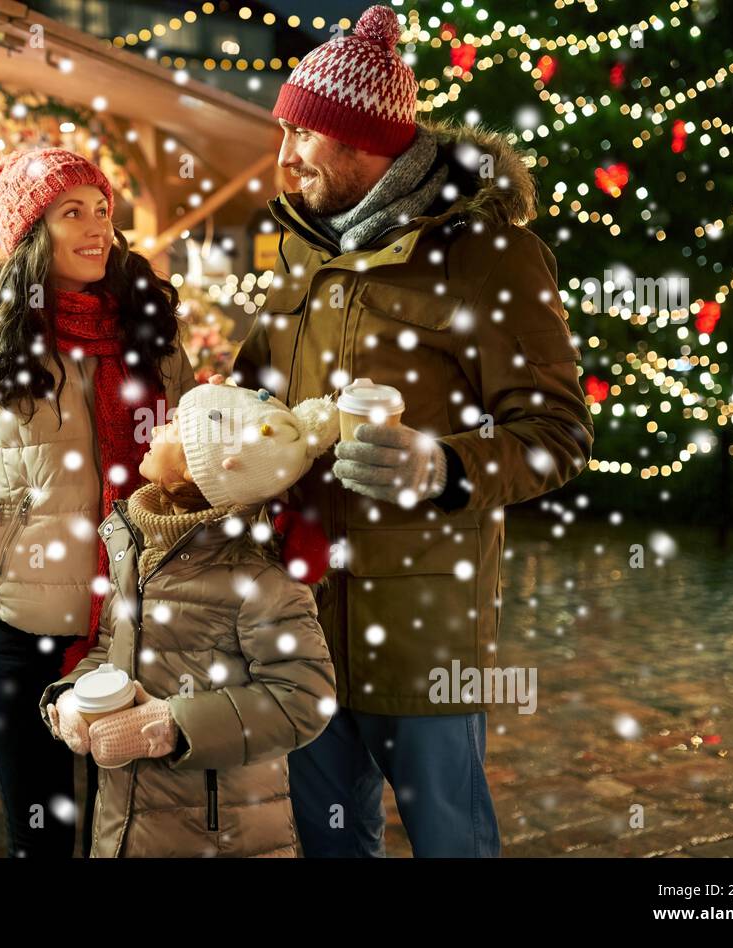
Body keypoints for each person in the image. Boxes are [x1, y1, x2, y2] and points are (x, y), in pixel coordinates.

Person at [232, 5, 595, 857]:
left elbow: (558, 432)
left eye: (302, 136)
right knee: (328, 842)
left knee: (450, 839)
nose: (284, 159)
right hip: (302, 618)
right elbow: (250, 395)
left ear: (363, 143)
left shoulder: (487, 254)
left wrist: (440, 467)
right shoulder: (300, 250)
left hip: (425, 623)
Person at [0, 148, 197, 857]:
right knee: (40, 840)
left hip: (138, 633)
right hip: (21, 639)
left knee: (130, 837)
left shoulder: (152, 338)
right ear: (31, 236)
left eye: (102, 210)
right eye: (73, 213)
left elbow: (192, 481)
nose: (97, 226)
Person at [39, 379, 338, 856]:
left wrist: (175, 725)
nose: (157, 428)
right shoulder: (137, 547)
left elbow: (305, 699)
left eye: (177, 425)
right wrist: (74, 695)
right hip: (125, 828)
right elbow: (110, 647)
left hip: (219, 835)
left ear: (203, 473)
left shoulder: (260, 580)